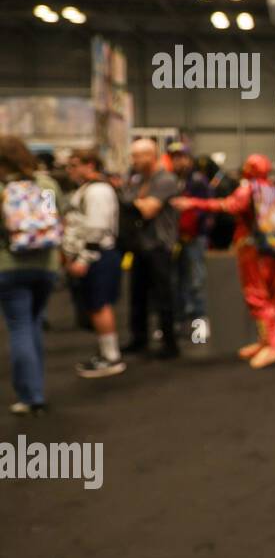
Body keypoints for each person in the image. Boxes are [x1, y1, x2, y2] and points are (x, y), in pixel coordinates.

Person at [171, 154, 275, 369]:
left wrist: (193, 203)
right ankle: (269, 341)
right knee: (271, 294)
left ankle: (274, 345)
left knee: (257, 295)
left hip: (252, 248)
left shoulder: (249, 188)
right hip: (273, 248)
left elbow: (230, 206)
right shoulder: (272, 188)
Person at [0, 136, 61, 414]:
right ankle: (36, 388)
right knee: (34, 323)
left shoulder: (3, 188)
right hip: (46, 265)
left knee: (20, 327)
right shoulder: (46, 185)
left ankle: (30, 394)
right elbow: (54, 219)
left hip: (10, 265)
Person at [63, 149, 125, 378]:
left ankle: (111, 357)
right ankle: (106, 353)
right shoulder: (86, 189)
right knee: (94, 305)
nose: (70, 170)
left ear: (90, 165)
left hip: (98, 255)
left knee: (100, 305)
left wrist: (84, 258)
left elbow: (97, 228)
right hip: (93, 254)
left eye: (75, 164)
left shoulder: (98, 190)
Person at [120, 138, 181, 359]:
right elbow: (132, 202)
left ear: (150, 156)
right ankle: (139, 339)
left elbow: (148, 209)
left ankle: (169, 343)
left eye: (137, 156)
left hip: (160, 246)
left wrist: (132, 201)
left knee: (163, 297)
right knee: (137, 296)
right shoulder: (137, 180)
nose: (133, 161)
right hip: (139, 245)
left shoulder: (165, 179)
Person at [166, 142, 211, 339]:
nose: (178, 161)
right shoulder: (170, 181)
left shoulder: (198, 181)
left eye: (181, 157)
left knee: (195, 282)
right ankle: (178, 325)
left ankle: (199, 328)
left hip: (194, 238)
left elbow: (208, 209)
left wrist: (196, 224)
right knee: (175, 283)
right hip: (174, 239)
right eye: (174, 157)